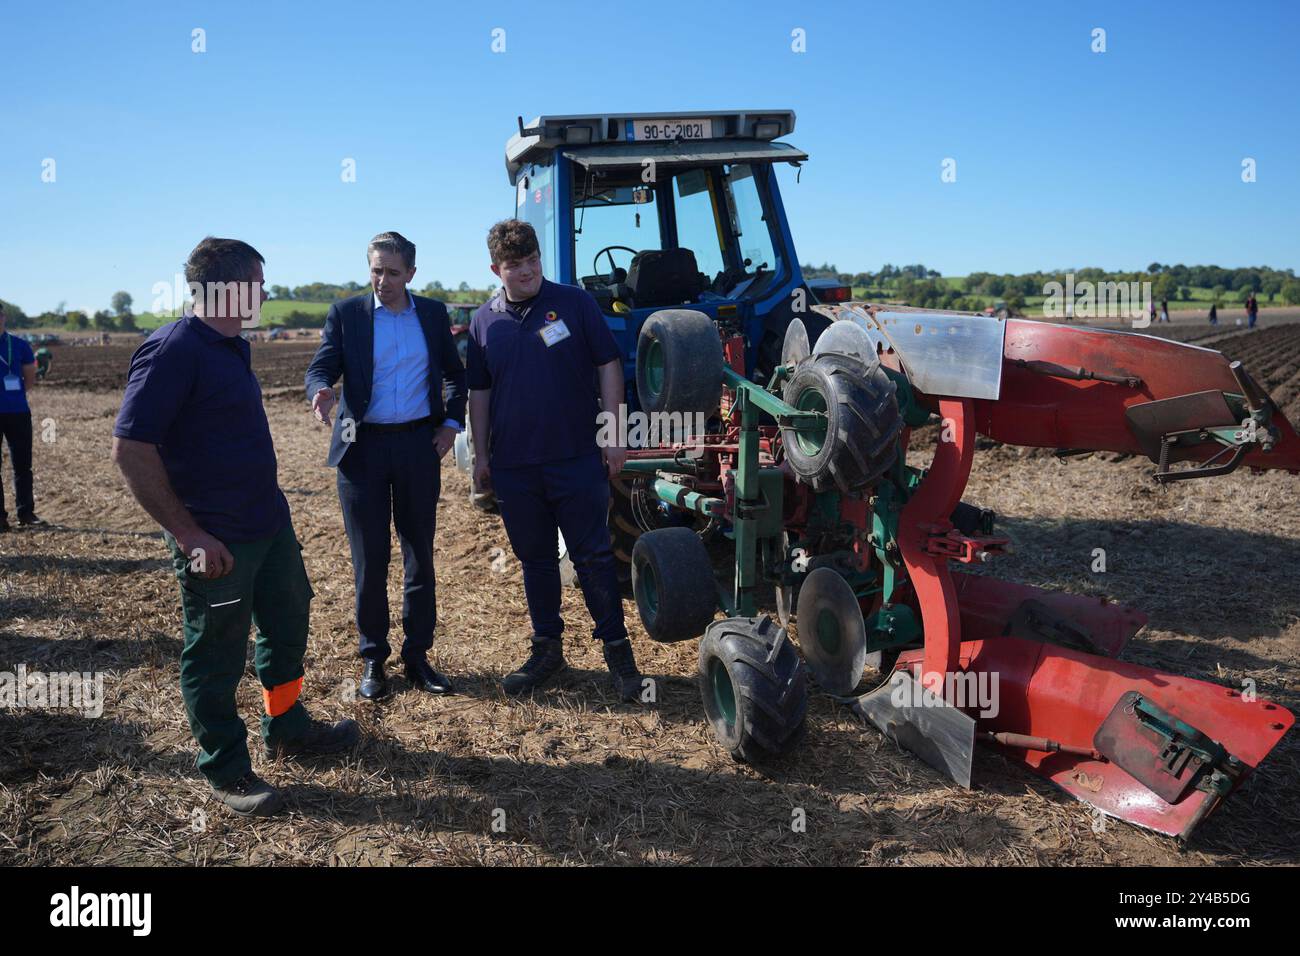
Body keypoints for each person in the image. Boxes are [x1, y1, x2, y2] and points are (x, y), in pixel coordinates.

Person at [112, 237, 358, 817]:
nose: (267, 294)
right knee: (216, 649)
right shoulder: (172, 350)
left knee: (287, 622)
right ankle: (225, 766)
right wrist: (190, 534)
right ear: (230, 289)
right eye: (259, 283)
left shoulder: (231, 346)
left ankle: (288, 725)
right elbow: (130, 449)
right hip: (215, 540)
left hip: (268, 526)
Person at [466, 219, 643, 701]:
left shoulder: (574, 303)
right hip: (515, 466)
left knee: (594, 557)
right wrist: (482, 456)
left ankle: (619, 655)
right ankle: (548, 650)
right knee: (536, 560)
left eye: (532, 261)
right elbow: (479, 392)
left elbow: (607, 364)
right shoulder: (485, 321)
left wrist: (613, 433)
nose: (526, 273)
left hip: (574, 457)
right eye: (514, 266)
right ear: (495, 269)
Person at [304, 232, 466, 701]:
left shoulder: (433, 314)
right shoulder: (347, 314)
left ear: (411, 274)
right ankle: (374, 658)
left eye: (393, 272)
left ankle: (418, 657)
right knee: (370, 559)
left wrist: (451, 425)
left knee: (419, 555)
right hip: (361, 450)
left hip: (418, 445)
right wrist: (321, 389)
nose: (382, 280)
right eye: (376, 270)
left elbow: (456, 374)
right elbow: (322, 366)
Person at [0, 304, 42, 532]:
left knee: (23, 465)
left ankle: (26, 513)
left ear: (3, 317)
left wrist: (12, 396)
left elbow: (29, 378)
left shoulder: (18, 345)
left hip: (17, 412)